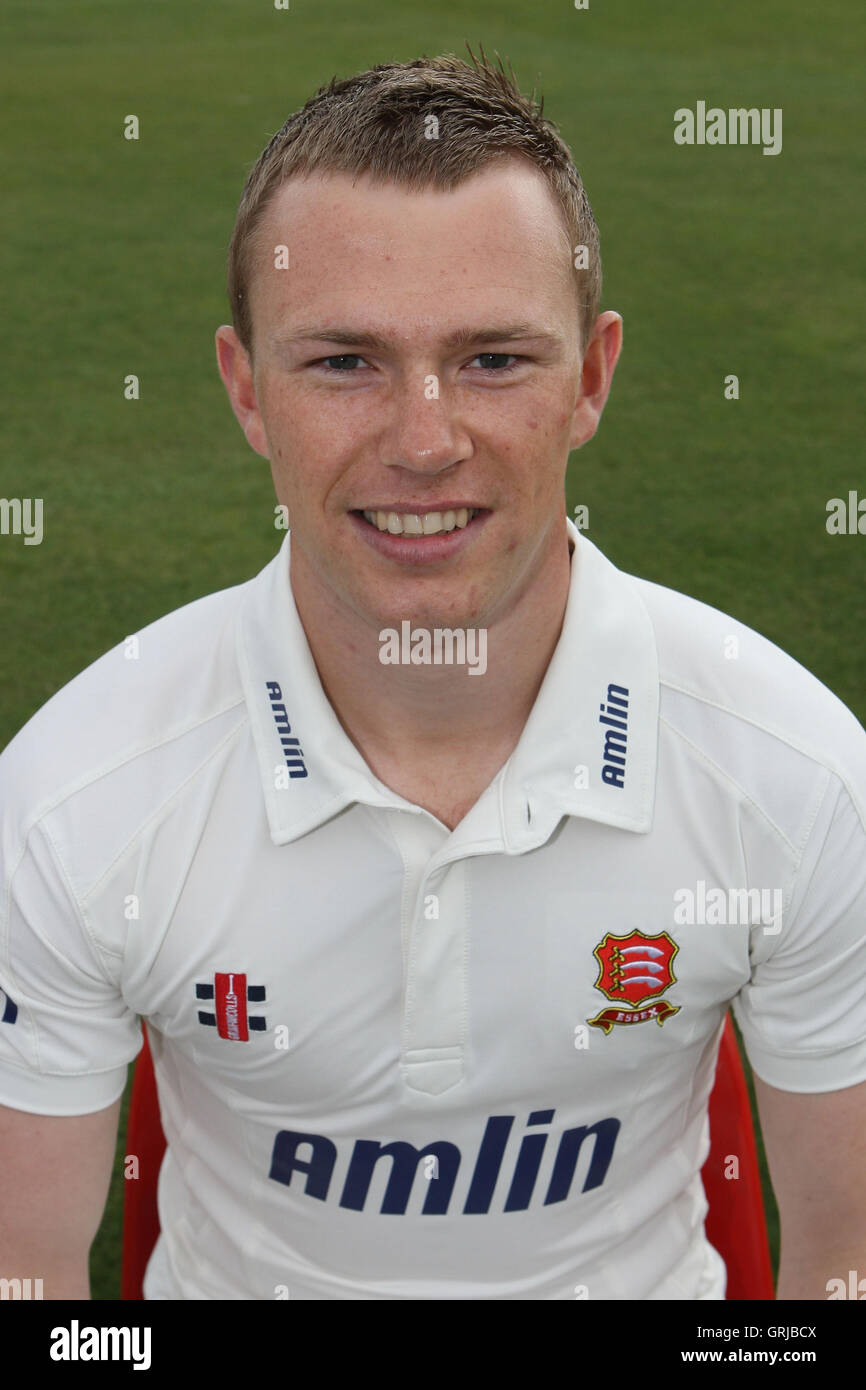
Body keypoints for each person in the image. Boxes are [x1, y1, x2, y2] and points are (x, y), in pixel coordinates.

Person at [1, 49, 864, 1302]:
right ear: (247, 390)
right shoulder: (69, 803)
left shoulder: (801, 779)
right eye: (343, 362)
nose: (422, 440)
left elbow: (841, 1271)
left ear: (592, 377)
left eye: (493, 360)